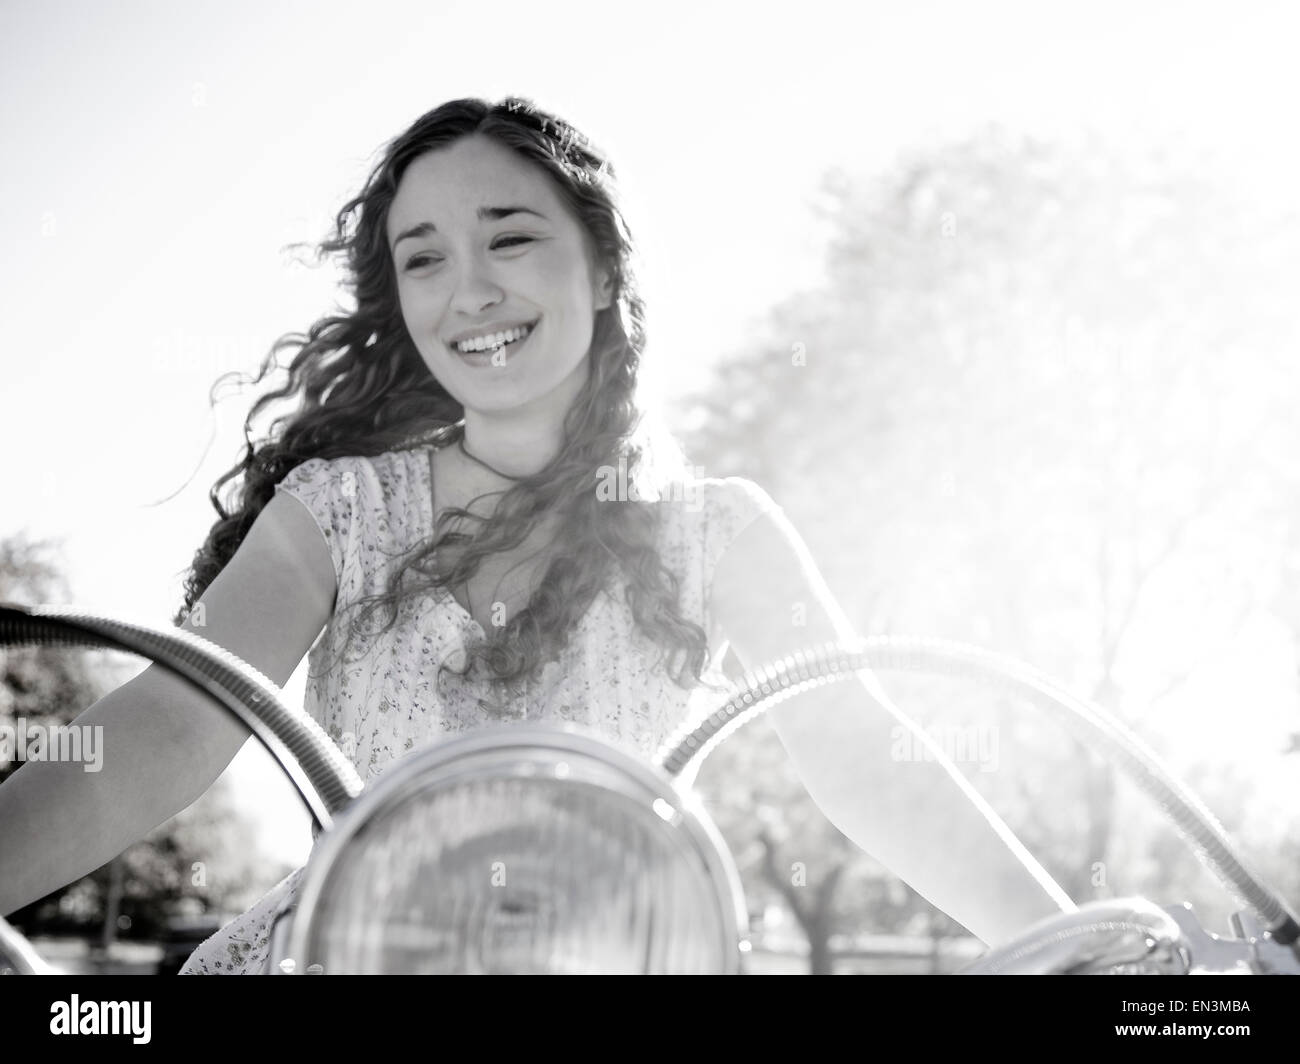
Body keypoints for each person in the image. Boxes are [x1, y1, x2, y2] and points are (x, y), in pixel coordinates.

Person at [0, 96, 1075, 974]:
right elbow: (164, 728)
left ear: (603, 272)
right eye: (422, 259)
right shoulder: (334, 511)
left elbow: (865, 756)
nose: (468, 289)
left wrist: (1083, 952)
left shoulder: (716, 529)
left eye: (509, 238)